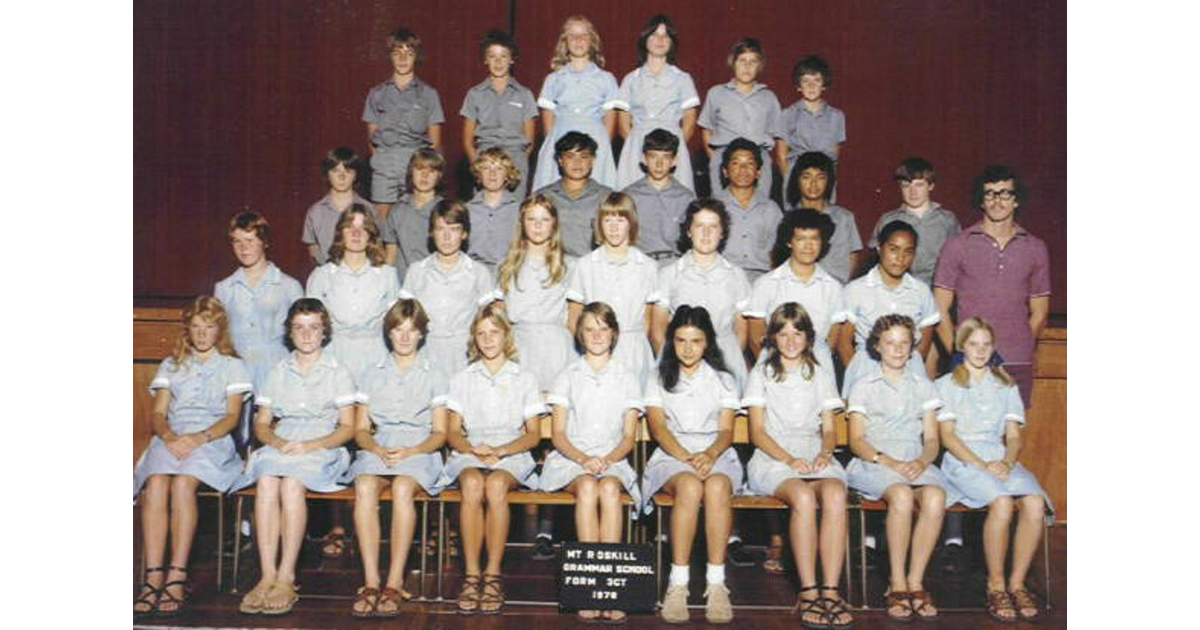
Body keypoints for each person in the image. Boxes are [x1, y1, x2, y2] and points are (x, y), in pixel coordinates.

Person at [235, 298, 357, 617]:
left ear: (324, 332)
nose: (306, 335)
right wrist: (277, 440)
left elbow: (347, 427)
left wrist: (312, 444)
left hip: (324, 446)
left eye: (313, 328)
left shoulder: (337, 370)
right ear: (289, 332)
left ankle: (287, 576)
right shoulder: (278, 371)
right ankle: (266, 575)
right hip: (284, 442)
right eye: (299, 328)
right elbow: (261, 424)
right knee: (265, 482)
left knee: (291, 484)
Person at [133, 297, 251, 617]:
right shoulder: (172, 365)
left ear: (219, 330)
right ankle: (152, 575)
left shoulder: (232, 366)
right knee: (155, 484)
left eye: (209, 327)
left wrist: (199, 438)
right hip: (171, 436)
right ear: (187, 329)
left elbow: (231, 417)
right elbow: (158, 414)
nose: (201, 334)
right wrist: (170, 436)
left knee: (184, 484)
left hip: (212, 439)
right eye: (196, 327)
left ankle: (177, 574)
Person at [936, 317, 1052, 622]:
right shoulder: (945, 385)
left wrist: (1007, 462)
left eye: (987, 345)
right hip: (963, 461)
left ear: (994, 348)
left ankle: (1017, 583)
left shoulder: (1005, 384)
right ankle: (996, 585)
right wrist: (982, 465)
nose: (980, 350)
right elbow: (948, 437)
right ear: (962, 346)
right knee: (1001, 502)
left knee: (1035, 502)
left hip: (999, 457)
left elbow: (1013, 436)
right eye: (974, 344)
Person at [845, 314, 959, 622]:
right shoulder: (863, 385)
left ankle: (916, 582)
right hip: (875, 461)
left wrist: (922, 461)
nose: (897, 350)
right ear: (877, 346)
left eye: (904, 343)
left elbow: (932, 439)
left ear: (913, 348)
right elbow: (856, 440)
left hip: (914, 460)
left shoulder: (924, 386)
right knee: (902, 496)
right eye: (890, 343)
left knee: (935, 497)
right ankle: (896, 583)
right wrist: (890, 462)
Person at [743, 302, 851, 629]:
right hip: (773, 458)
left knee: (834, 493)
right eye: (783, 333)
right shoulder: (761, 373)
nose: (791, 340)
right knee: (803, 497)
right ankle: (808, 591)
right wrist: (789, 460)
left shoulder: (819, 372)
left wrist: (825, 452)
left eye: (798, 332)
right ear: (772, 337)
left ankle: (830, 591)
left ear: (808, 337)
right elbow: (757, 433)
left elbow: (830, 429)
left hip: (812, 452)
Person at [435, 304, 547, 615]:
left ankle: (494, 575)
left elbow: (533, 435)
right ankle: (472, 575)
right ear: (473, 338)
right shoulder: (463, 378)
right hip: (472, 451)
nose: (487, 339)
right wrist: (472, 449)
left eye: (494, 332)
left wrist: (502, 451)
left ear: (506, 336)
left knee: (496, 484)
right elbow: (452, 432)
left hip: (511, 453)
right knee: (472, 482)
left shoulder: (523, 377)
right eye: (481, 333)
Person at [345, 299, 449, 618]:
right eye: (398, 330)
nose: (404, 337)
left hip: (419, 450)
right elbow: (361, 429)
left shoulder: (435, 373)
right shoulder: (371, 373)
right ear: (388, 333)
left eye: (412, 330)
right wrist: (376, 449)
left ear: (421, 334)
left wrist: (412, 451)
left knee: (403, 488)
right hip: (381, 447)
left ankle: (394, 581)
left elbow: (440, 433)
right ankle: (371, 580)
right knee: (364, 485)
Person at [540, 301, 642, 623]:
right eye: (589, 329)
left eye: (603, 328)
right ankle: (588, 587)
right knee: (587, 488)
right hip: (572, 460)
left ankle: (610, 587)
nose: (597, 335)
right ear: (579, 335)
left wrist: (607, 460)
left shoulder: (627, 377)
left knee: (610, 490)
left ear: (613, 334)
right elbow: (557, 433)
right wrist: (584, 459)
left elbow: (628, 437)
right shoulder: (568, 375)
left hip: (613, 459)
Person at [642, 305, 742, 624]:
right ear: (671, 341)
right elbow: (658, 428)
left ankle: (716, 583)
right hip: (673, 454)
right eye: (681, 340)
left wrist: (710, 455)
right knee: (688, 485)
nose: (688, 348)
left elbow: (727, 430)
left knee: (717, 485)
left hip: (716, 453)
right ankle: (678, 583)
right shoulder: (658, 377)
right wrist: (687, 457)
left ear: (708, 343)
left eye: (696, 341)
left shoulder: (725, 379)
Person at [933, 164, 1050, 409]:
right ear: (981, 201)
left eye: (1005, 193)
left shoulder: (1035, 248)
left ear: (1016, 201)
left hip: (1017, 364)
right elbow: (939, 309)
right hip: (970, 362)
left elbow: (1039, 312)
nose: (998, 201)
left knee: (1012, 439)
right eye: (990, 194)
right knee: (966, 437)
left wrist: (1023, 348)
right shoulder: (957, 245)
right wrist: (959, 354)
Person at [651, 198, 751, 389]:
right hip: (680, 362)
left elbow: (741, 330)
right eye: (699, 226)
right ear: (689, 231)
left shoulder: (736, 275)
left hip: (726, 362)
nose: (706, 233)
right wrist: (673, 360)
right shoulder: (669, 274)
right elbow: (657, 331)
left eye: (713, 227)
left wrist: (728, 359)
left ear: (722, 233)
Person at [566, 192, 659, 387]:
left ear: (631, 223)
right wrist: (591, 347)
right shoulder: (584, 266)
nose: (614, 227)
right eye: (608, 220)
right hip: (596, 350)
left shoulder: (647, 266)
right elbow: (574, 319)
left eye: (621, 220)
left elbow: (648, 321)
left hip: (634, 352)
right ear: (599, 224)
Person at [837, 220, 940, 396]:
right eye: (893, 249)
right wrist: (857, 374)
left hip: (907, 370)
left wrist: (908, 369)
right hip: (866, 370)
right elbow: (843, 343)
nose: (900, 258)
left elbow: (924, 344)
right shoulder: (856, 289)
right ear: (879, 248)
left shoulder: (921, 292)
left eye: (908, 251)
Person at [744, 208, 846, 382]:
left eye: (814, 239)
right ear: (789, 242)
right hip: (776, 373)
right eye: (801, 239)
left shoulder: (833, 288)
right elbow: (755, 338)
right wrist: (777, 368)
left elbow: (832, 341)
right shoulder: (767, 284)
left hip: (818, 372)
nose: (808, 246)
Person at [305, 205, 400, 387]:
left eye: (363, 228)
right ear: (341, 233)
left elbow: (394, 325)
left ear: (371, 234)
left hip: (376, 358)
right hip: (334, 357)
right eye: (350, 227)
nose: (356, 233)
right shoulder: (322, 275)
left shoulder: (387, 275)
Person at [399, 199, 497, 376]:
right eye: (440, 229)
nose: (446, 237)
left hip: (465, 356)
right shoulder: (416, 271)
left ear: (465, 233)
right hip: (425, 355)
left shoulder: (478, 272)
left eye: (454, 229)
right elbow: (405, 321)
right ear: (431, 232)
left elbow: (489, 323)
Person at [495, 194, 576, 394]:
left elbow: (575, 318)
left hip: (557, 348)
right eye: (532, 220)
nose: (538, 226)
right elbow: (499, 315)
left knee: (554, 409)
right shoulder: (506, 266)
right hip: (519, 346)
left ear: (554, 224)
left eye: (544, 220)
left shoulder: (569, 265)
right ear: (522, 223)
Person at [215, 212, 304, 392]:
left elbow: (301, 335)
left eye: (250, 240)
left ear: (264, 242)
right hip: (237, 370)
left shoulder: (289, 285)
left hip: (276, 370)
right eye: (237, 241)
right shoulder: (224, 288)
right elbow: (220, 337)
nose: (243, 248)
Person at [363, 27, 445, 218]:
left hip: (415, 168)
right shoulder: (376, 94)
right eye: (397, 53)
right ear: (390, 56)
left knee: (416, 220)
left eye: (409, 53)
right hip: (385, 167)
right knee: (383, 226)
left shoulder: (428, 94)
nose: (403, 59)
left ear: (416, 57)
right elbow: (371, 140)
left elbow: (435, 143)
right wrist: (385, 163)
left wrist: (422, 171)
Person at [613, 14, 700, 193]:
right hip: (638, 147)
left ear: (671, 42)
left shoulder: (682, 78)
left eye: (665, 35)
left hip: (671, 147)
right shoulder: (631, 79)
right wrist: (638, 149)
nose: (660, 40)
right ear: (645, 39)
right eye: (654, 35)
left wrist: (672, 150)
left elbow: (690, 121)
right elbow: (623, 123)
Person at [531, 15, 618, 191]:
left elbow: (610, 120)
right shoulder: (554, 79)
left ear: (592, 41)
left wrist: (600, 150)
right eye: (573, 36)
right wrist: (556, 148)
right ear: (565, 42)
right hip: (561, 138)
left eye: (584, 35)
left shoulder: (606, 79)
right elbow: (548, 122)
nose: (578, 40)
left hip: (595, 141)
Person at [698, 38, 784, 197]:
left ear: (760, 66)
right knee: (721, 206)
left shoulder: (769, 97)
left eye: (753, 61)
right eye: (742, 60)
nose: (747, 66)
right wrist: (717, 159)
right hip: (724, 156)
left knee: (760, 204)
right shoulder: (716, 93)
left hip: (758, 159)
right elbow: (707, 129)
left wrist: (762, 157)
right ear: (733, 63)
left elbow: (776, 133)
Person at [460, 30, 538, 197]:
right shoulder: (475, 94)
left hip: (515, 160)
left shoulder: (524, 94)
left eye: (503, 56)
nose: (498, 62)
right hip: (486, 159)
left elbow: (529, 141)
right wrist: (479, 165)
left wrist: (517, 165)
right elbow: (467, 141)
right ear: (485, 60)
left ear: (512, 59)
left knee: (515, 210)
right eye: (492, 56)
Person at [867, 157, 960, 287]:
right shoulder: (888, 220)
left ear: (931, 186)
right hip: (899, 289)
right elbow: (875, 260)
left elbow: (957, 261)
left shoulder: (948, 220)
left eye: (919, 185)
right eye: (906, 185)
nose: (913, 192)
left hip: (937, 289)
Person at [712, 138, 784, 282]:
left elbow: (780, 253)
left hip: (762, 280)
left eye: (749, 164)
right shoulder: (712, 207)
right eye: (736, 163)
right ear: (725, 171)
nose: (743, 169)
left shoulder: (771, 209)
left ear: (758, 172)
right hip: (722, 279)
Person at [783, 151, 862, 283]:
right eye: (807, 177)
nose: (813, 184)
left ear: (829, 181)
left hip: (836, 288)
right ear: (797, 180)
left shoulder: (844, 218)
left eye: (820, 177)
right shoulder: (787, 218)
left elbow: (852, 257)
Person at [621, 128, 696, 267]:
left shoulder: (686, 197)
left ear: (674, 161)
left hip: (674, 263)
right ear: (644, 159)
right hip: (639, 264)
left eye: (666, 157)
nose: (659, 164)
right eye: (653, 156)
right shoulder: (629, 195)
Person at [533, 131, 613, 257]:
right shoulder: (543, 197)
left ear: (592, 160)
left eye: (584, 157)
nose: (577, 163)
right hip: (553, 268)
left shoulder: (608, 197)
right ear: (560, 160)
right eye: (570, 156)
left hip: (593, 270)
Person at [778, 55, 846, 196]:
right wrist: (794, 186)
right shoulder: (787, 114)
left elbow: (834, 158)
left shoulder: (837, 116)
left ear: (824, 84)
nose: (811, 86)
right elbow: (781, 157)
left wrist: (826, 185)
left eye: (817, 80)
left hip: (824, 183)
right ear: (798, 86)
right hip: (796, 183)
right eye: (805, 81)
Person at [301, 148, 379, 267]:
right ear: (327, 174)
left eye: (347, 171)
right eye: (335, 170)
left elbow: (376, 247)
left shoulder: (370, 210)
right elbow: (313, 251)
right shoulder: (315, 212)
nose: (341, 176)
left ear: (355, 175)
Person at [382, 148, 446, 283]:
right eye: (419, 169)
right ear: (411, 172)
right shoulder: (397, 210)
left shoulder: (445, 210)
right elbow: (391, 254)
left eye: (431, 171)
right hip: (403, 284)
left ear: (439, 175)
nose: (425, 175)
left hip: (436, 283)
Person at [465, 147, 523, 272]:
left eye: (499, 168)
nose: (493, 173)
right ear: (479, 175)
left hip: (509, 273)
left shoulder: (520, 210)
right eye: (486, 168)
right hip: (474, 274)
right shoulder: (466, 210)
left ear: (508, 175)